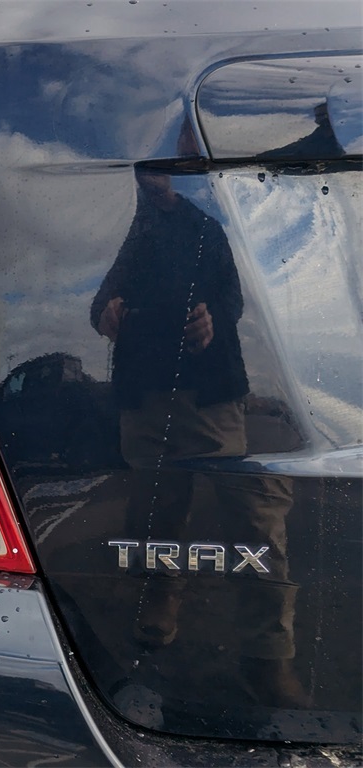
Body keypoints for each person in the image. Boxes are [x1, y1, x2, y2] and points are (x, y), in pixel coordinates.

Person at [91, 167, 305, 707]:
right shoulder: (126, 228)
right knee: (158, 511)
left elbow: (233, 302)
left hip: (210, 389)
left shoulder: (208, 227)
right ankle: (164, 592)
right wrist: (108, 314)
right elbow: (100, 302)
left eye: (167, 166)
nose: (156, 175)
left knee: (254, 519)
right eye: (148, 166)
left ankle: (267, 657)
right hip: (142, 391)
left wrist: (212, 321)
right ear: (137, 172)